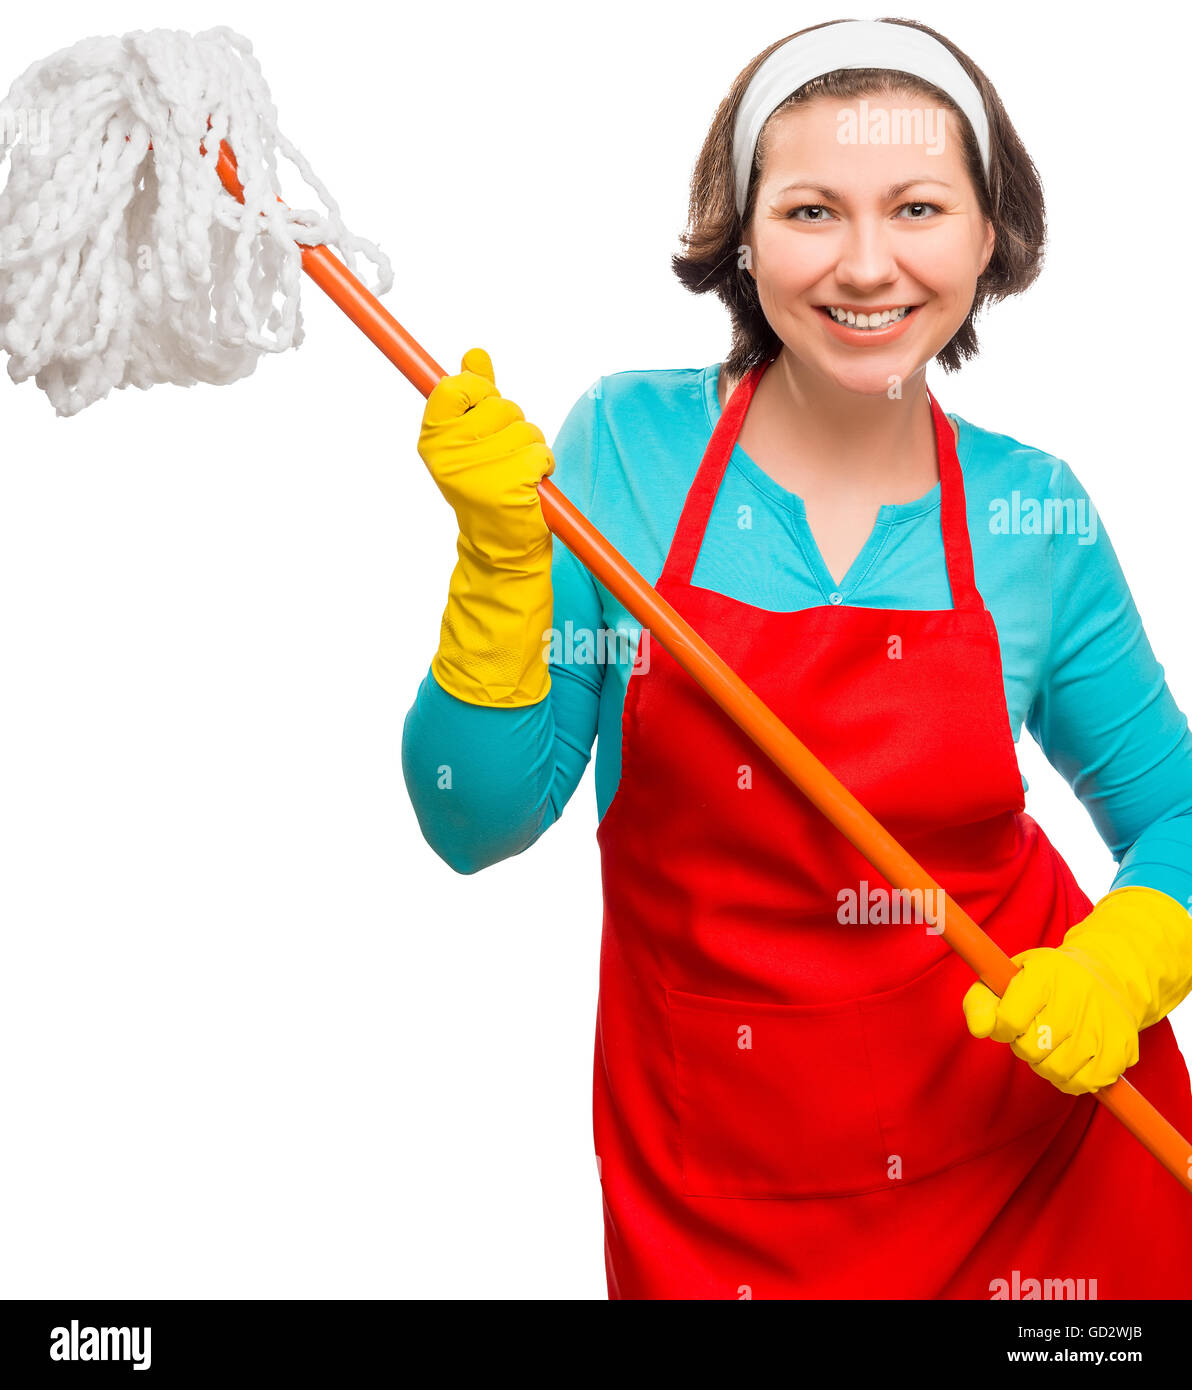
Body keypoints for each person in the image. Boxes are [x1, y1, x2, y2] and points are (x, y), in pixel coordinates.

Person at [402, 17, 1192, 1299]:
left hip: (1045, 1166)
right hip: (722, 1190)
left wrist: (1120, 962)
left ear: (989, 237)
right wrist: (498, 570)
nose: (867, 265)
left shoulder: (1031, 516)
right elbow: (473, 822)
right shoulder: (625, 450)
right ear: (743, 233)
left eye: (920, 207)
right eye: (813, 209)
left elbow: (1175, 811)